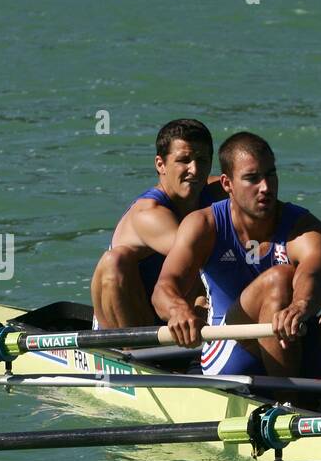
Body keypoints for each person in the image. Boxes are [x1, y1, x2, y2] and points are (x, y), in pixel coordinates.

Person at [152, 132, 321, 378]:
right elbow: (165, 287)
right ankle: (293, 402)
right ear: (227, 184)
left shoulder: (305, 228)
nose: (266, 187)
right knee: (278, 279)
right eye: (252, 178)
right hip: (231, 350)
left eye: (270, 174)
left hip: (295, 340)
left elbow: (313, 274)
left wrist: (300, 305)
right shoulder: (203, 225)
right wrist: (178, 310)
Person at [90, 119, 224, 329]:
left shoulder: (219, 190)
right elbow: (197, 263)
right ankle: (133, 352)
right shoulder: (149, 214)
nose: (195, 170)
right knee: (114, 261)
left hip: (176, 312)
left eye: (202, 160)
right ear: (160, 164)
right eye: (184, 160)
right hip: (132, 321)